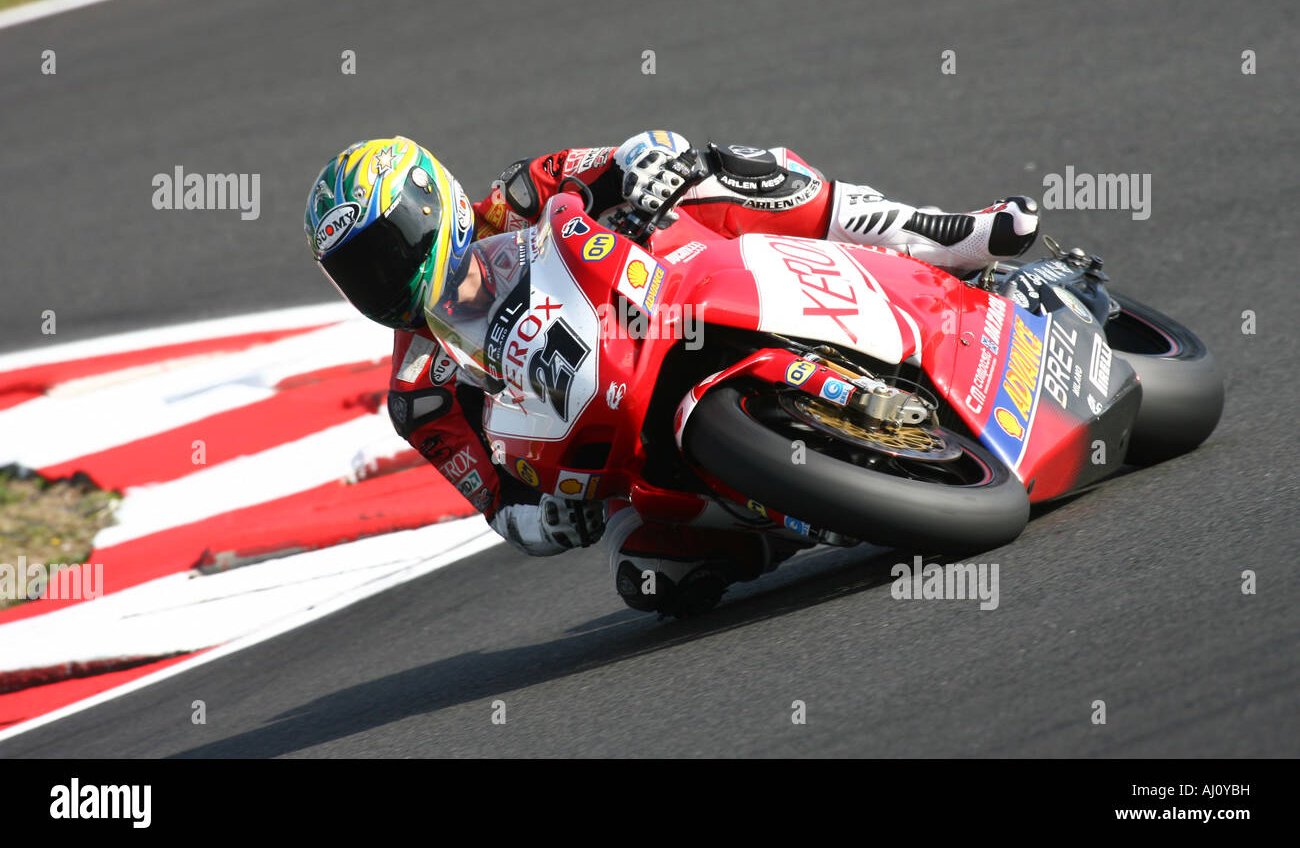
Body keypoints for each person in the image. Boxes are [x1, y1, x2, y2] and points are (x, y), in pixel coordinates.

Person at [305, 132, 1040, 615]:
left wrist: (650, 163)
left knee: (723, 174)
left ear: (431, 207)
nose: (382, 279)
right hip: (615, 451)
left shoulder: (516, 200)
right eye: (357, 273)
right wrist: (545, 519)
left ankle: (941, 235)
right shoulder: (420, 395)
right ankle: (800, 514)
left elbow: (629, 152)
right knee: (652, 580)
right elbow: (498, 507)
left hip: (663, 299)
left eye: (388, 249)